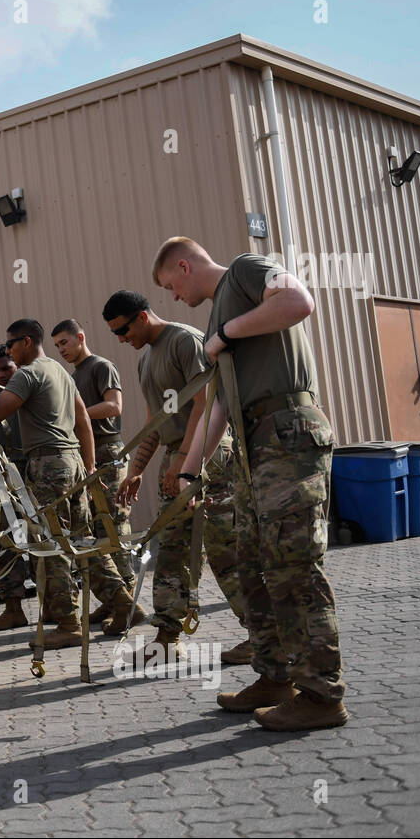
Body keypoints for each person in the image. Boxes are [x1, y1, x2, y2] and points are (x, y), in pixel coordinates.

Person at [155, 236, 347, 731]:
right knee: (251, 564)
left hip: (286, 431)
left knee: (293, 565)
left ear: (184, 265)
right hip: (252, 444)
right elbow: (218, 404)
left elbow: (298, 301)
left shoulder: (243, 271)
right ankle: (275, 676)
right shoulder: (217, 316)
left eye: (170, 285)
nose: (172, 297)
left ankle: (322, 695)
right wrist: (190, 469)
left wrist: (227, 332)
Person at [101, 292, 249, 662]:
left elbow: (208, 401)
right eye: (115, 333)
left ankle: (264, 635)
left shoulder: (184, 340)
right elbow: (158, 419)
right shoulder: (146, 359)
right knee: (171, 551)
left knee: (223, 548)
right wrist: (136, 470)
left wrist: (185, 459)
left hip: (207, 455)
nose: (121, 338)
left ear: (142, 316)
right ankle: (167, 639)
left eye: (122, 329)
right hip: (177, 457)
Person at [0, 320, 96, 650]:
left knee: (52, 545)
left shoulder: (28, 378)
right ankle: (118, 606)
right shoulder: (53, 372)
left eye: (8, 358)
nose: (4, 371)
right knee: (32, 543)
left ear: (24, 344)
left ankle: (67, 618)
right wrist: (88, 467)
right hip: (34, 475)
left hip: (45, 471)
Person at [50, 319, 138, 629]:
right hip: (87, 454)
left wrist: (78, 415)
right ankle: (114, 600)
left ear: (80, 337)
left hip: (108, 453)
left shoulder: (101, 366)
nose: (61, 350)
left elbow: (114, 406)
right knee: (96, 531)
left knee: (113, 526)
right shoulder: (75, 375)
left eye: (64, 342)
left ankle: (129, 603)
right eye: (57, 345)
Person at [0, 344, 33, 631]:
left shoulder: (29, 390)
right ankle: (13, 607)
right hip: (4, 477)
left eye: (6, 368)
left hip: (32, 470)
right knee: (5, 540)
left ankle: (54, 602)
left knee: (42, 537)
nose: (1, 375)